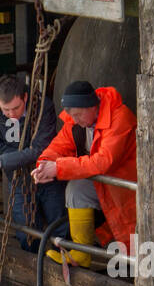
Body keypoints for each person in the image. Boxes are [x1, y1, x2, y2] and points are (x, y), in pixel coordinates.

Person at [32, 79, 138, 268]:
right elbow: (57, 147)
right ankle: (81, 254)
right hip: (102, 182)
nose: (76, 120)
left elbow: (104, 161)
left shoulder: (120, 117)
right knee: (76, 189)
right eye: (72, 115)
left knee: (137, 241)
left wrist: (58, 168)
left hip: (126, 185)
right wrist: (44, 165)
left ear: (93, 107)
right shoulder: (76, 121)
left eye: (78, 115)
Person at [0, 74, 68, 252]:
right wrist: (20, 157)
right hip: (18, 179)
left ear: (25, 98)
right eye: (6, 110)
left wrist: (2, 161)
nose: (12, 114)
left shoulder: (44, 107)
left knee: (59, 227)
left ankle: (64, 265)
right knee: (25, 232)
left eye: (16, 108)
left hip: (46, 174)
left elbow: (39, 149)